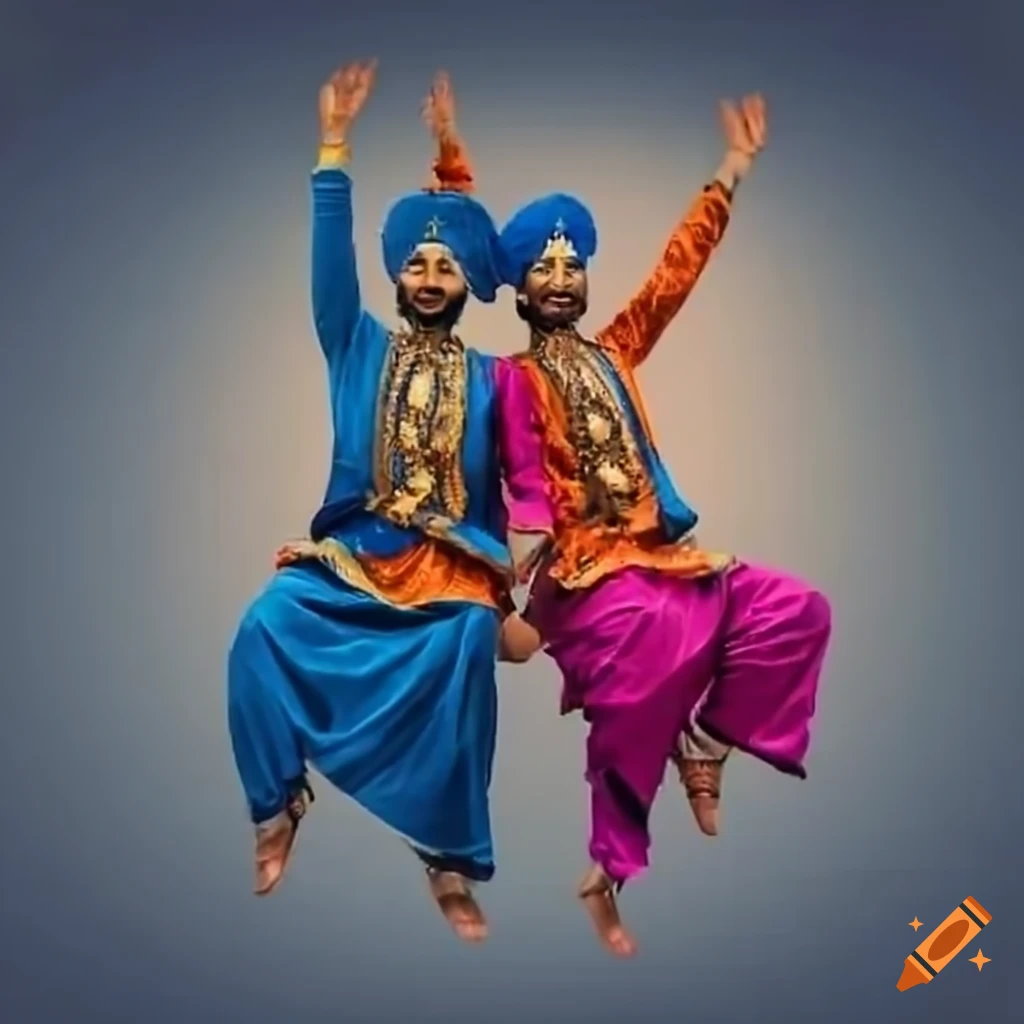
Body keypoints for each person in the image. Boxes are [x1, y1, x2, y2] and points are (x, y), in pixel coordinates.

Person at [497, 94, 832, 957]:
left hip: (663, 555)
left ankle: (708, 745)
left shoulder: (617, 348)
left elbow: (674, 274)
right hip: (584, 573)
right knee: (641, 669)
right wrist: (508, 573)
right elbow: (519, 482)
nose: (563, 277)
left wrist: (733, 171)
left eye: (573, 264)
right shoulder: (507, 380)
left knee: (798, 611)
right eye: (543, 265)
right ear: (521, 286)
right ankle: (606, 870)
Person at [227, 62, 551, 944]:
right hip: (360, 553)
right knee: (263, 626)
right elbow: (331, 269)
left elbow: (530, 490)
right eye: (418, 262)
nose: (433, 273)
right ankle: (278, 800)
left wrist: (536, 584)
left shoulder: (496, 378)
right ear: (400, 281)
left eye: (448, 264)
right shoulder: (357, 347)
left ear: (461, 287)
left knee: (467, 640)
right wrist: (334, 147)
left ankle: (448, 856)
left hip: (452, 566)